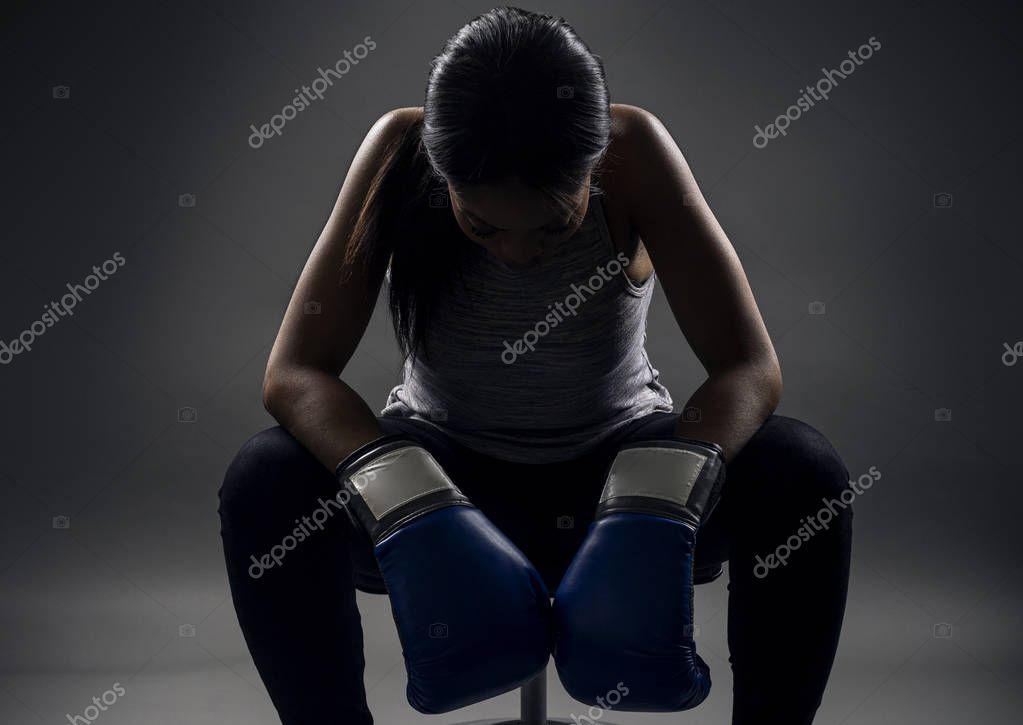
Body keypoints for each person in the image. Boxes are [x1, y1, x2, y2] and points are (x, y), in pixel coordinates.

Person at [218, 6, 852, 724]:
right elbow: (294, 373)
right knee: (265, 477)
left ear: (592, 166)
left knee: (802, 466)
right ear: (442, 172)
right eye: (482, 225)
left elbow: (747, 365)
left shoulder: (632, 149)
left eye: (554, 224)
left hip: (613, 479)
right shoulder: (398, 152)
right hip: (444, 480)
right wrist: (403, 494)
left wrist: (664, 491)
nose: (518, 253)